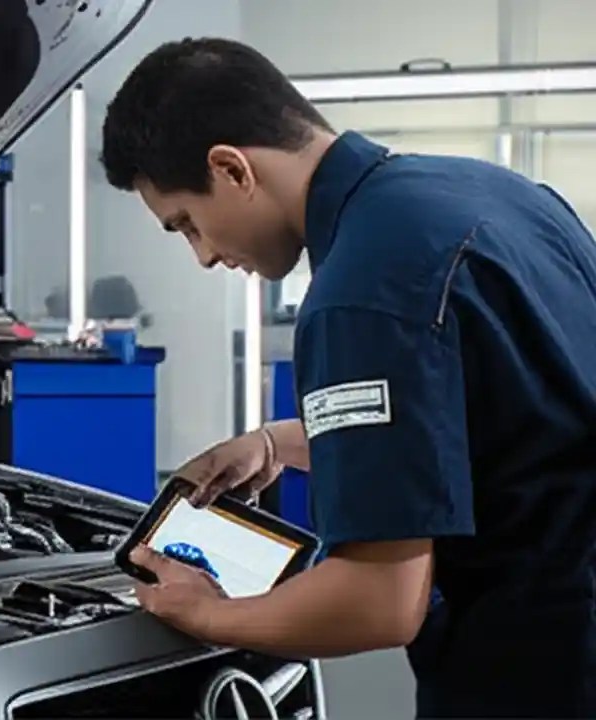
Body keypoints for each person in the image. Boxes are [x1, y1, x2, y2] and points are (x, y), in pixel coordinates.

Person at [100, 37, 596, 718]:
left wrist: (205, 613)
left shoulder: (359, 291)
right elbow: (503, 419)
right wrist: (277, 443)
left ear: (232, 168)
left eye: (188, 224)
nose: (206, 256)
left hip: (537, 676)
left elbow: (377, 603)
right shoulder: (500, 195)